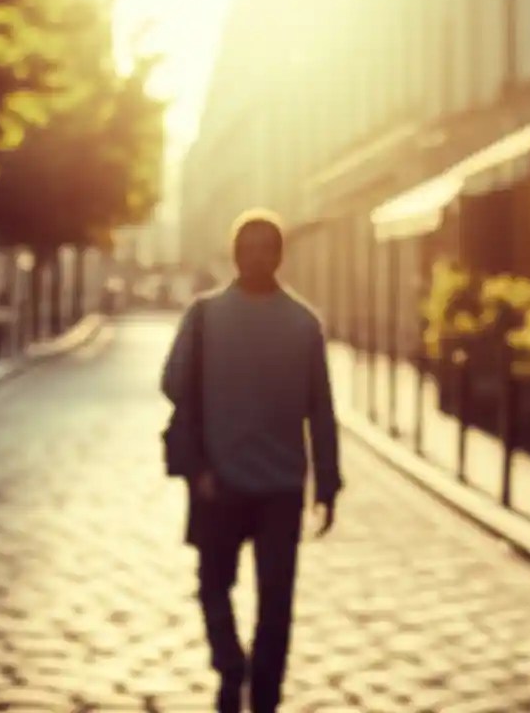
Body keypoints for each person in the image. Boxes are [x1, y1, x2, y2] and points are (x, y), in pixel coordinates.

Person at [162, 209, 343, 713]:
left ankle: (241, 675)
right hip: (233, 481)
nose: (259, 256)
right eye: (252, 246)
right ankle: (253, 683)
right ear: (238, 252)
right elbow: (321, 411)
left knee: (235, 590)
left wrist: (327, 484)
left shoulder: (209, 317)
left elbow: (173, 384)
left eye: (266, 247)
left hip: (239, 483)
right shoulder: (297, 322)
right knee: (256, 595)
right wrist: (326, 483)